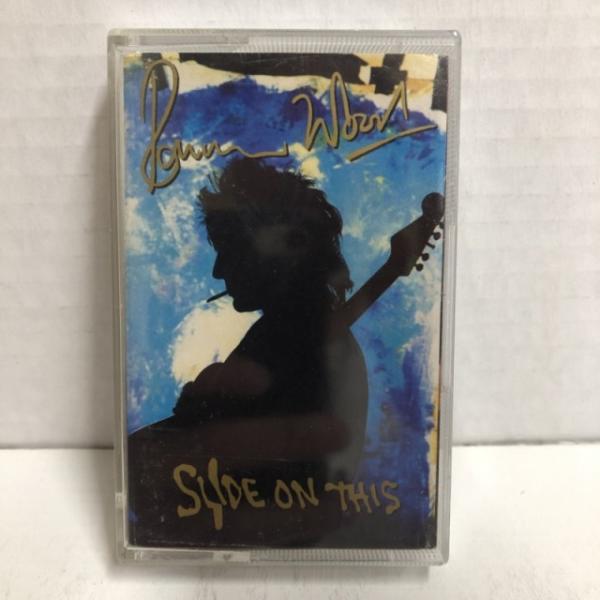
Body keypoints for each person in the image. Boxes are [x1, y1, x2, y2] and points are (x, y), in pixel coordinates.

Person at [127, 159, 368, 547]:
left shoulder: (292, 334)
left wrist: (199, 404)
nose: (218, 270)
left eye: (230, 250)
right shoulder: (298, 332)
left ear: (282, 249)